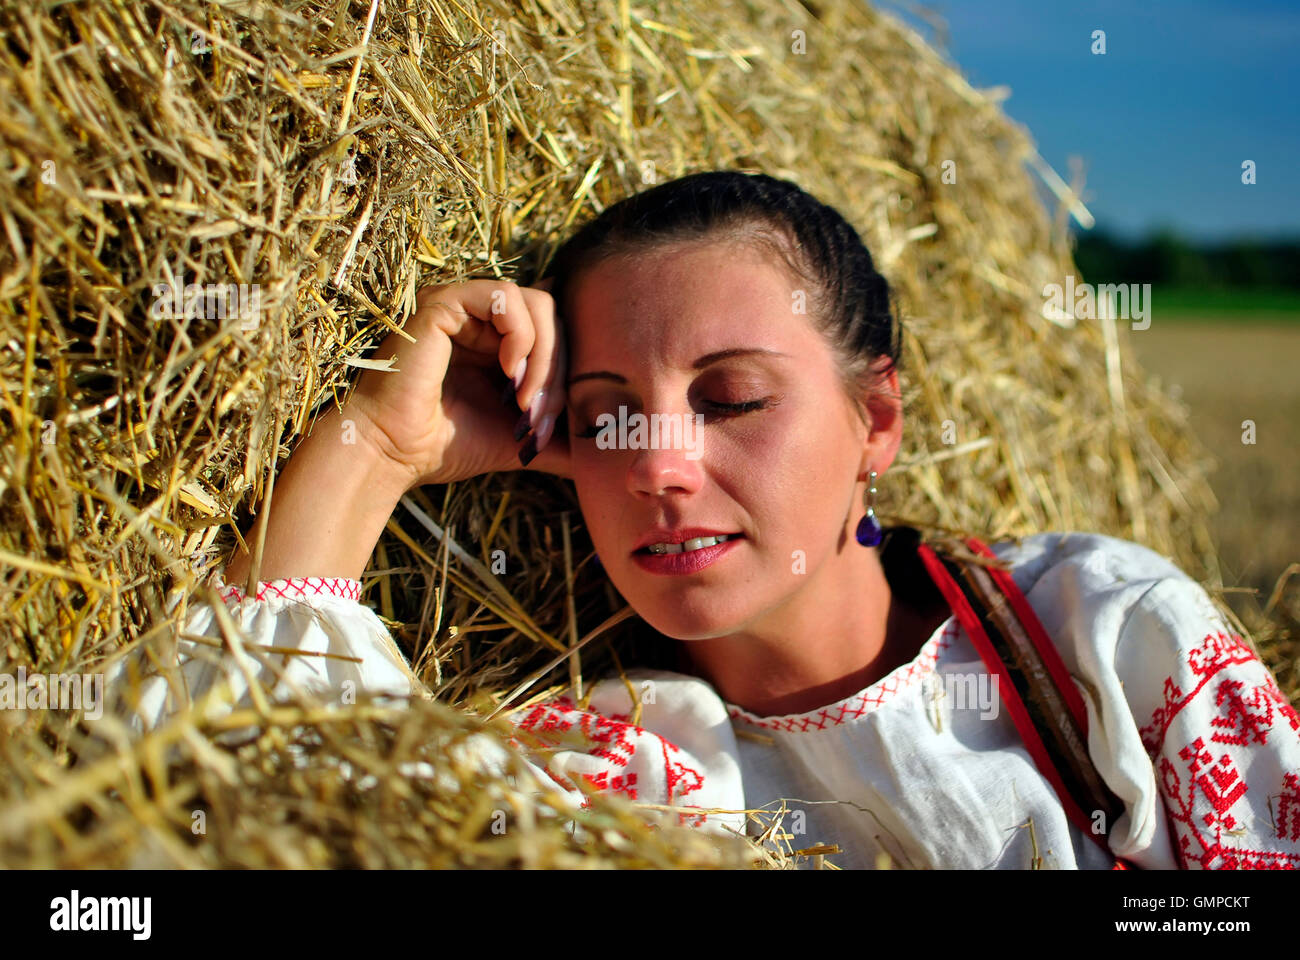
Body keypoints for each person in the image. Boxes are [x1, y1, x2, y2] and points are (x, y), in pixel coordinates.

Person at [106, 171, 1300, 870]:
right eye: (604, 415)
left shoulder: (1097, 631)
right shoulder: (631, 763)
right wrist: (377, 446)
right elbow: (261, 773)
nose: (661, 465)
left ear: (875, 421)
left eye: (730, 398)